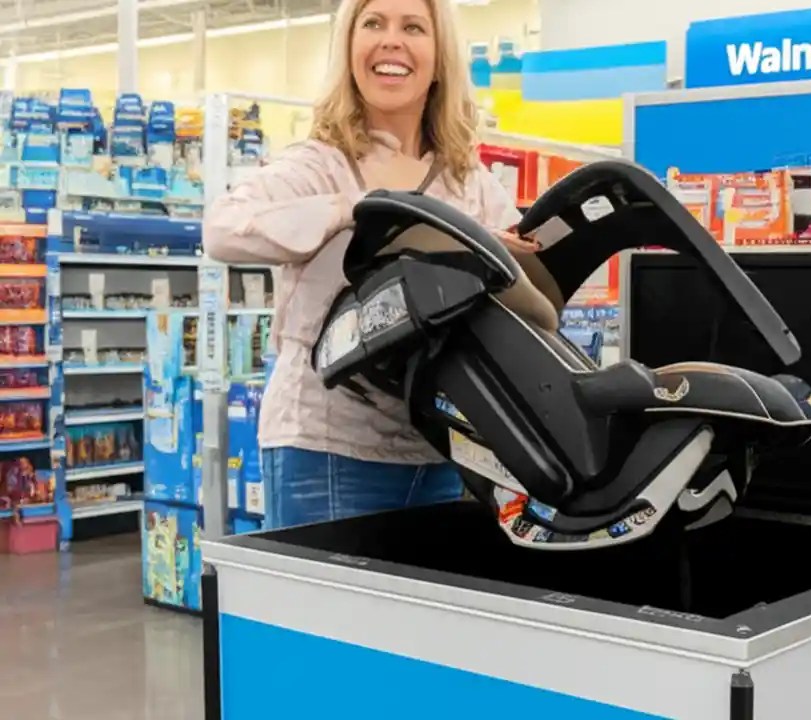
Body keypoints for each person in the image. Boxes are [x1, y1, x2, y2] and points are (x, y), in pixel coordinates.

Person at [203, 0, 564, 529]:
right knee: (325, 613)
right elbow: (224, 229)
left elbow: (535, 302)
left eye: (413, 27)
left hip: (442, 448)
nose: (391, 40)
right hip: (328, 447)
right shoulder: (321, 163)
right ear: (349, 49)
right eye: (373, 23)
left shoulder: (467, 181)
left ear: (439, 57)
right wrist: (349, 209)